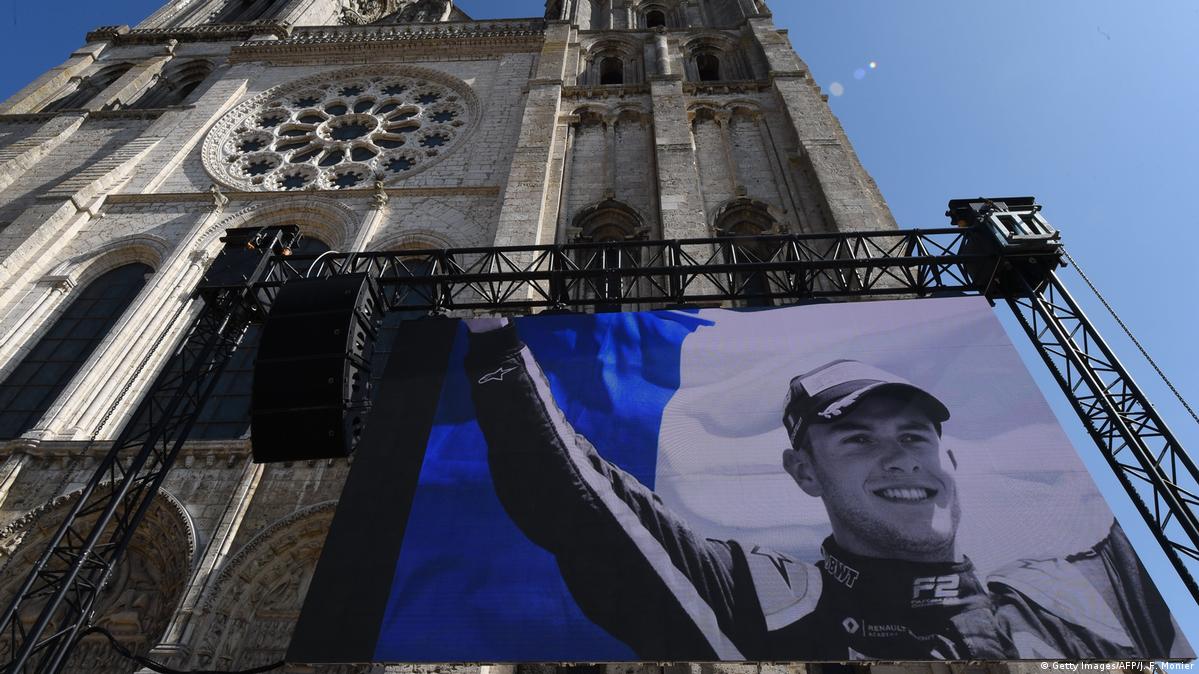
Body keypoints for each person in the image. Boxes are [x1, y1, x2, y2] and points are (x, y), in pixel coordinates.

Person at [464, 317, 1191, 661]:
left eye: (913, 436)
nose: (900, 458)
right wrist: (496, 344)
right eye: (857, 439)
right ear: (802, 472)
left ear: (949, 460)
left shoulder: (1076, 599)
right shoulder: (758, 601)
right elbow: (576, 502)